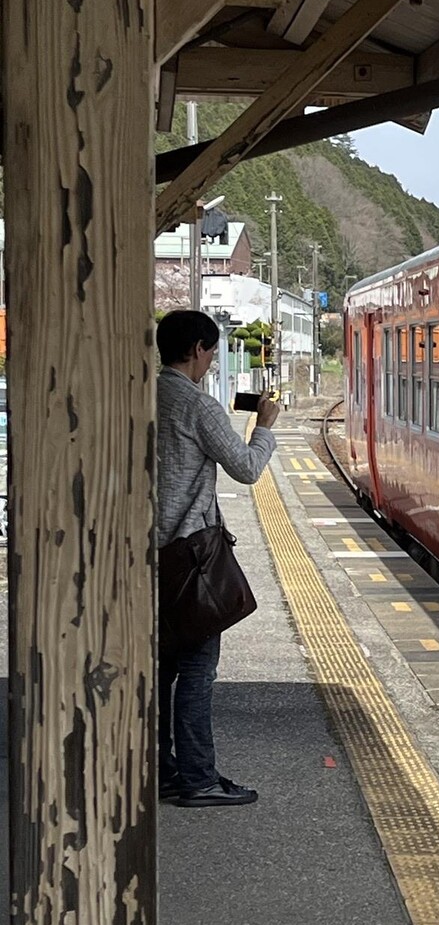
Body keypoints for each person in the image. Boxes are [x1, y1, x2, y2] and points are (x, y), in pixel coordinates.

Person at [156, 311, 279, 807]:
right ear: (198, 350)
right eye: (210, 352)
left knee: (161, 668)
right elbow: (246, 467)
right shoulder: (197, 405)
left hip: (147, 553)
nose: (209, 361)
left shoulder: (144, 394)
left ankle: (161, 769)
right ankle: (198, 779)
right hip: (190, 557)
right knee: (197, 669)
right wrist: (263, 426)